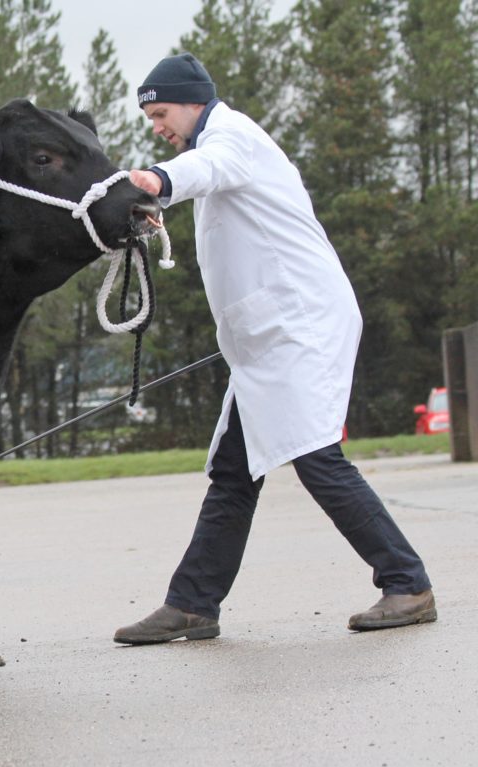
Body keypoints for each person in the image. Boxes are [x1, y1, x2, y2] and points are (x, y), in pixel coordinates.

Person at [115, 53, 436, 644]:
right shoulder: (215, 143)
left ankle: (407, 583)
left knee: (316, 457)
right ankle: (192, 604)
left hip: (299, 329)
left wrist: (158, 180)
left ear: (193, 101)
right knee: (235, 471)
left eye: (160, 113)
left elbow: (207, 168)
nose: (157, 125)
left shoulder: (232, 135)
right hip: (268, 342)